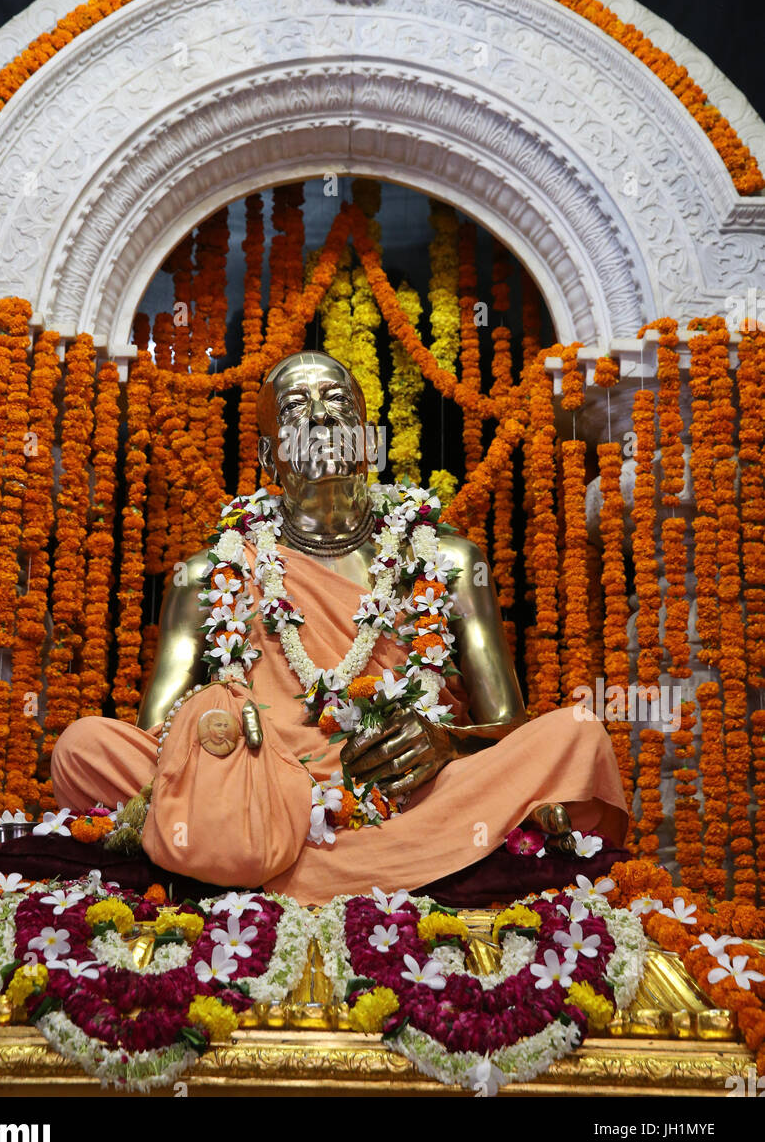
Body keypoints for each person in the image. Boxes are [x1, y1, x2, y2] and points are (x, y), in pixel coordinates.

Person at [52, 352, 627, 903]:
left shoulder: (447, 560)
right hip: (259, 793)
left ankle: (265, 864)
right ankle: (378, 855)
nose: (322, 416)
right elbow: (161, 740)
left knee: (576, 735)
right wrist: (221, 722)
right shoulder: (210, 572)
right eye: (298, 405)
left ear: (366, 438)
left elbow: (508, 722)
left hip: (410, 792)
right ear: (266, 452)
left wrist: (448, 743)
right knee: (84, 747)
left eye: (337, 403)